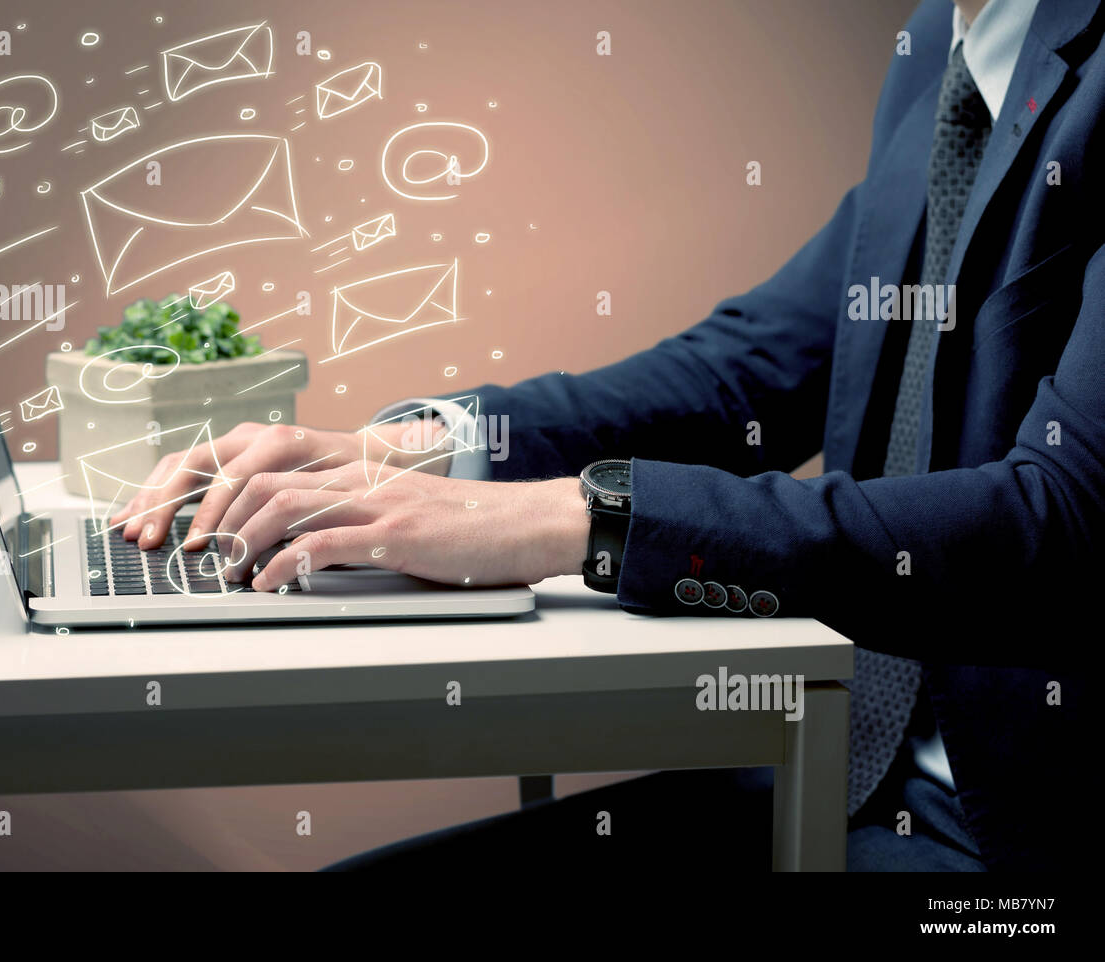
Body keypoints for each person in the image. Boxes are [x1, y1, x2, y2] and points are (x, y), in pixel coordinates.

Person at [110, 0, 1093, 871]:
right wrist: (424, 447)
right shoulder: (945, 39)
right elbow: (748, 374)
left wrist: (576, 518)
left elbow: (1063, 518)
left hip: (1011, 841)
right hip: (831, 776)